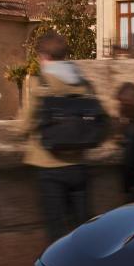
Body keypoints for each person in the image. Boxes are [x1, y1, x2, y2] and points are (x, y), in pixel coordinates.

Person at [22, 33, 97, 241]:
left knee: (56, 232)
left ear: (44, 56)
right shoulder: (84, 84)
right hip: (79, 164)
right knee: (83, 229)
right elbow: (100, 119)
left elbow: (26, 124)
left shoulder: (42, 84)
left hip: (49, 165)